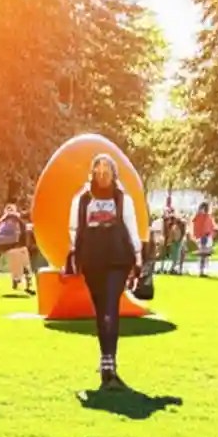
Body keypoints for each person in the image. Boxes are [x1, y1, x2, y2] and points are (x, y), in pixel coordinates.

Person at [68, 154, 143, 391]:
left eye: (106, 171)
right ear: (92, 173)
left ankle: (110, 363)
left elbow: (132, 227)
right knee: (101, 311)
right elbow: (74, 228)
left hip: (117, 257)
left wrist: (138, 257)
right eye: (98, 171)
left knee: (111, 307)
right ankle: (106, 362)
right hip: (92, 258)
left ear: (113, 173)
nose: (102, 175)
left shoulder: (122, 199)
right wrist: (75, 254)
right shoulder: (82, 199)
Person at [0, 203, 34, 294]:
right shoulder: (15, 219)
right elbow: (24, 229)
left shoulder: (3, 220)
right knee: (23, 264)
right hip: (13, 244)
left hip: (5, 244)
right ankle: (26, 285)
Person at [192, 202, 217, 277]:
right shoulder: (202, 216)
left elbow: (211, 226)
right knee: (203, 254)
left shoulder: (206, 216)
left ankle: (203, 271)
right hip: (203, 236)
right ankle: (201, 271)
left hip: (205, 236)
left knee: (204, 255)